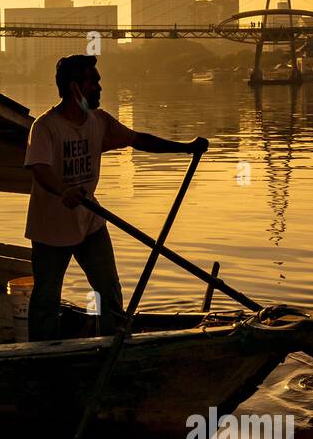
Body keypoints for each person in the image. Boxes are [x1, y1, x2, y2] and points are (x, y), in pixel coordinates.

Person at [23, 54, 207, 341]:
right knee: (46, 299)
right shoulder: (46, 127)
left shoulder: (99, 121)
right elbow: (40, 168)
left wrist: (185, 148)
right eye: (93, 81)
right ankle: (41, 354)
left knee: (108, 289)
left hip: (90, 222)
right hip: (51, 229)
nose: (99, 86)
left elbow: (138, 139)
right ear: (75, 87)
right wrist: (63, 190)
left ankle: (113, 343)